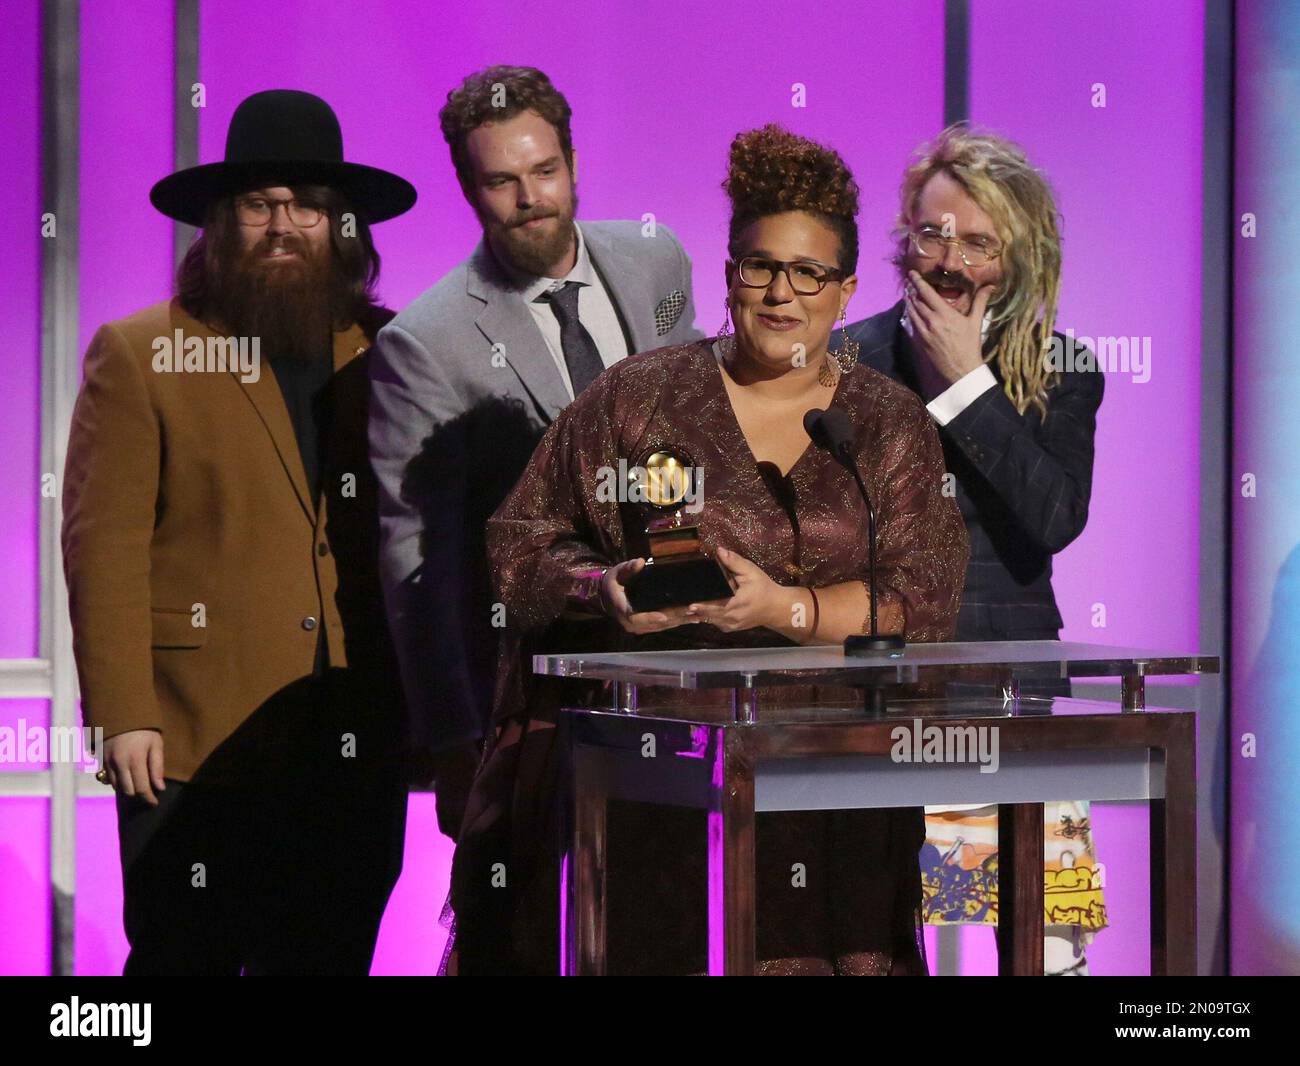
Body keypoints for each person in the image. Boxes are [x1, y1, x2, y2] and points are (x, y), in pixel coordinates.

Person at [448, 124, 970, 975]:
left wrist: (784, 610)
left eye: (809, 273)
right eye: (760, 266)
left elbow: (923, 602)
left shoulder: (885, 422)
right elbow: (518, 543)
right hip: (665, 790)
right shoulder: (641, 398)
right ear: (729, 275)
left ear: (845, 292)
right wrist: (598, 586)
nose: (780, 293)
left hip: (840, 786)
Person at [62, 90, 415, 975]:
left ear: (344, 229)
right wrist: (123, 714)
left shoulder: (393, 352)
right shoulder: (143, 352)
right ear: (220, 225)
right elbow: (102, 546)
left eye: (308, 206)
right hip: (193, 743)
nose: (283, 225)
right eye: (259, 205)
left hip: (350, 738)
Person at [368, 66, 700, 839]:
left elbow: (686, 446)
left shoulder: (658, 261)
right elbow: (416, 564)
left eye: (546, 171)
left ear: (574, 162)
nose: (530, 199)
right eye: (503, 181)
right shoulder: (426, 341)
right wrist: (454, 741)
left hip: (680, 675)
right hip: (532, 690)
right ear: (468, 188)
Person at [839, 124, 1107, 974]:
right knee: (880, 937)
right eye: (932, 234)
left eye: (979, 243)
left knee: (1048, 947)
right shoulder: (848, 359)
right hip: (877, 697)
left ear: (1019, 257)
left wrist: (967, 385)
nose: (950, 262)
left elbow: (1055, 514)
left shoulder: (1061, 366)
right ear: (903, 238)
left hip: (1011, 694)